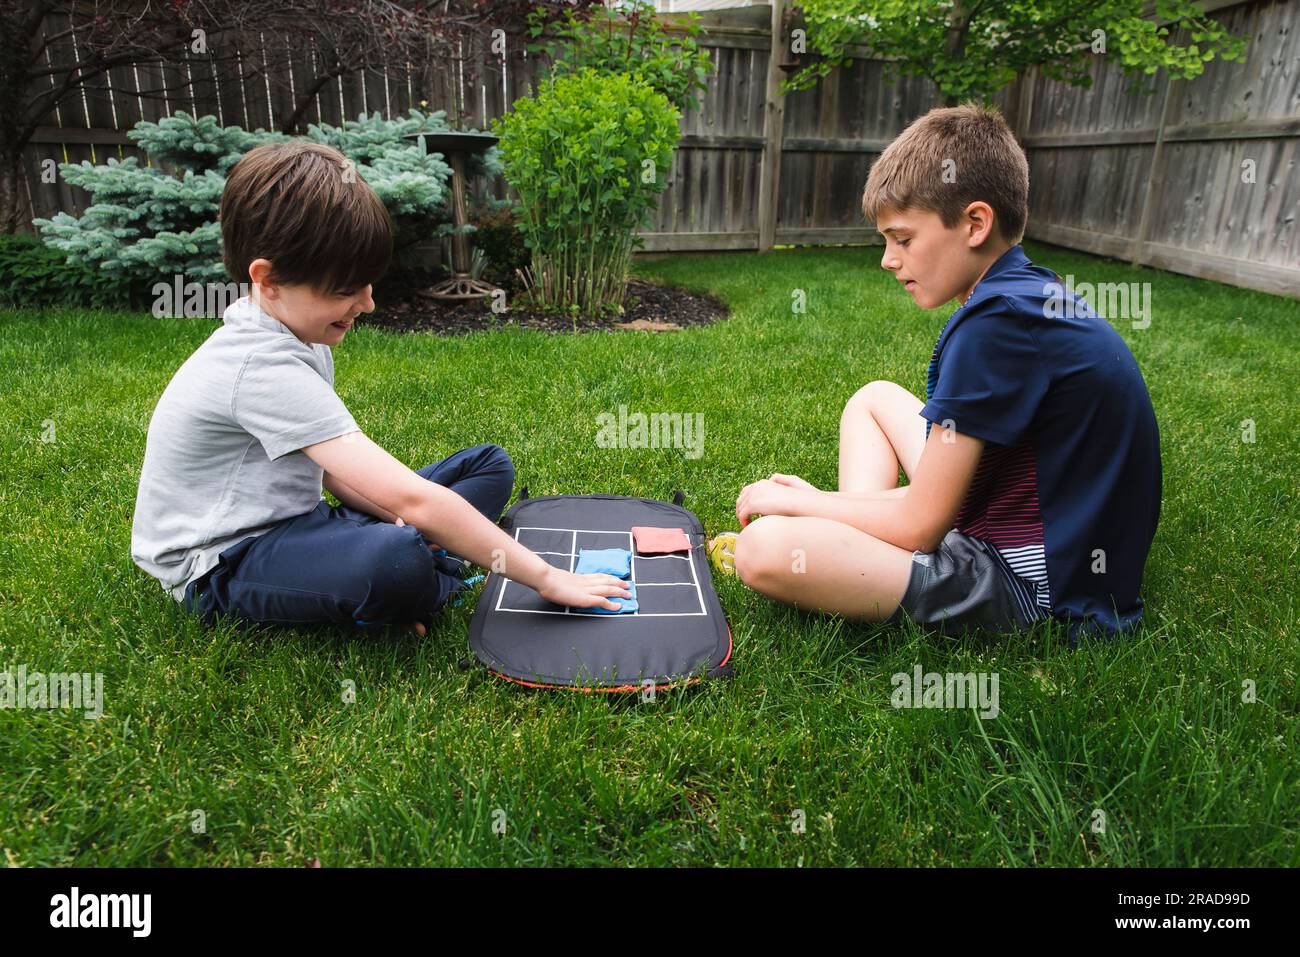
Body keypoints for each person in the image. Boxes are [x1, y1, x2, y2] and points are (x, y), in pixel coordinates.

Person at [130, 141, 629, 635]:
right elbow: (413, 501)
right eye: (346, 290)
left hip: (300, 525)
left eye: (369, 284)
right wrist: (547, 578)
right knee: (396, 558)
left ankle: (419, 562)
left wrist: (398, 518)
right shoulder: (259, 366)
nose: (367, 304)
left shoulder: (300, 334)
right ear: (270, 280)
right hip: (223, 564)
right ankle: (419, 579)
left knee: (487, 465)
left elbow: (336, 474)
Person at [710, 103, 1162, 644]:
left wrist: (803, 502)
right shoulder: (1022, 294)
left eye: (902, 239)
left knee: (765, 552)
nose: (887, 259)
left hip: (1038, 587)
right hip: (1039, 513)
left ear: (975, 223)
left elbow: (924, 526)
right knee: (874, 399)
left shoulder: (996, 327)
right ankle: (853, 539)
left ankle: (852, 547)